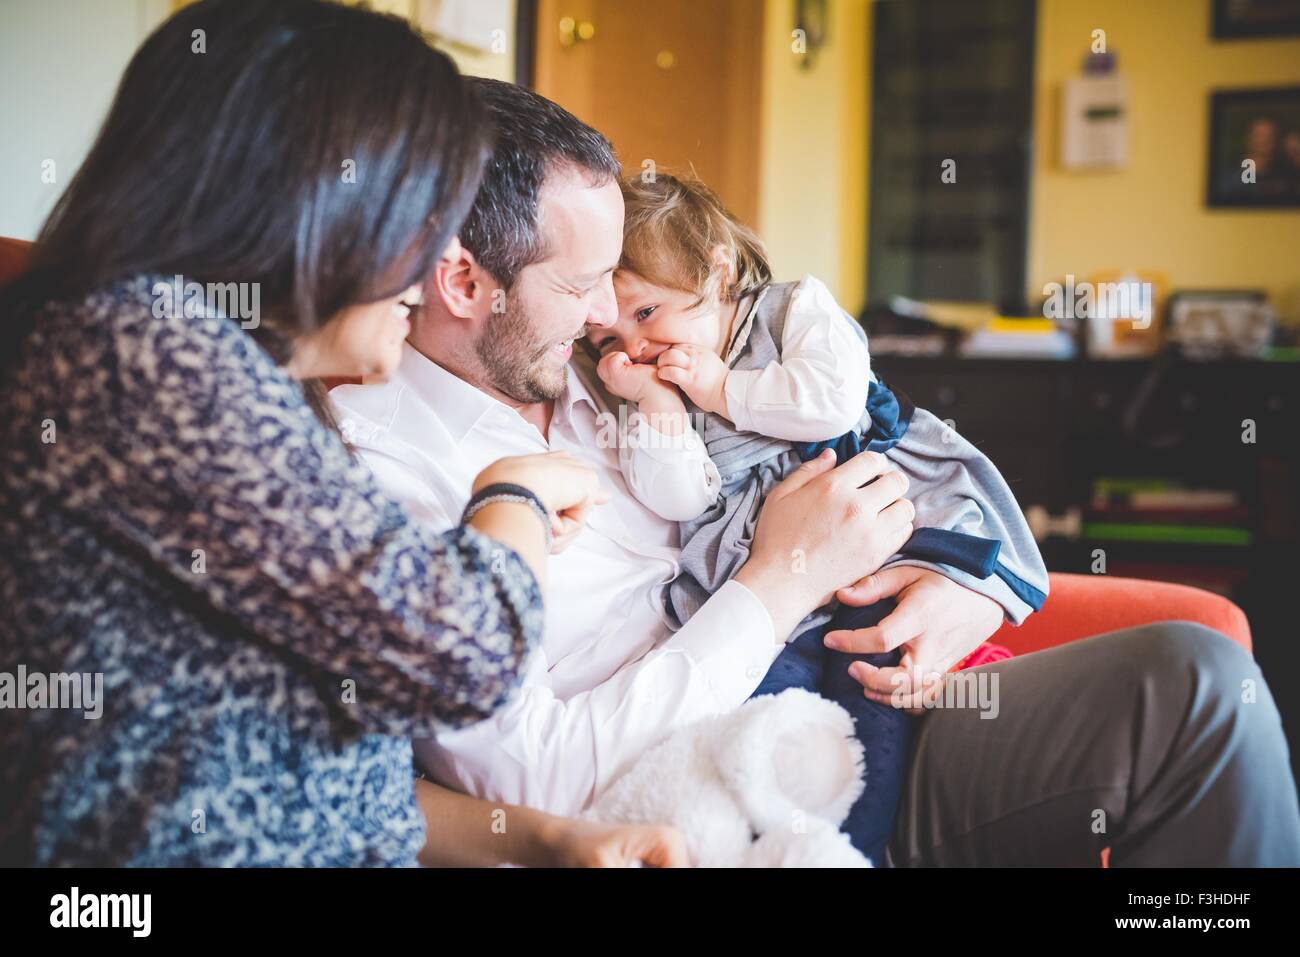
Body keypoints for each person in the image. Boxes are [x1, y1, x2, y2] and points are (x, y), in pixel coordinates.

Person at [334, 77, 1300, 866]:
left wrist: (964, 588)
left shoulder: (601, 368)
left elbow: (876, 443)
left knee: (1200, 682)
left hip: (855, 678)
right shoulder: (381, 469)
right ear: (465, 281)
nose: (605, 318)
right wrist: (780, 576)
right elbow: (529, 785)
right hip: (721, 788)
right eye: (584, 286)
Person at [0, 0, 669, 868]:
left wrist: (549, 839)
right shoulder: (141, 358)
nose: (437, 260)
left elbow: (347, 777)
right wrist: (517, 495)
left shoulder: (210, 369)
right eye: (423, 207)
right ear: (313, 200)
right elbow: (463, 653)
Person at [587, 170, 1048, 862]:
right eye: (606, 341)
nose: (633, 347)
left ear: (718, 270)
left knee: (873, 688)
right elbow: (681, 498)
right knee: (774, 718)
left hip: (875, 526)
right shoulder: (651, 387)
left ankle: (863, 844)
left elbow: (831, 402)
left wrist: (720, 387)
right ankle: (788, 839)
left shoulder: (793, 309)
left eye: (646, 313)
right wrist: (656, 404)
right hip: (767, 582)